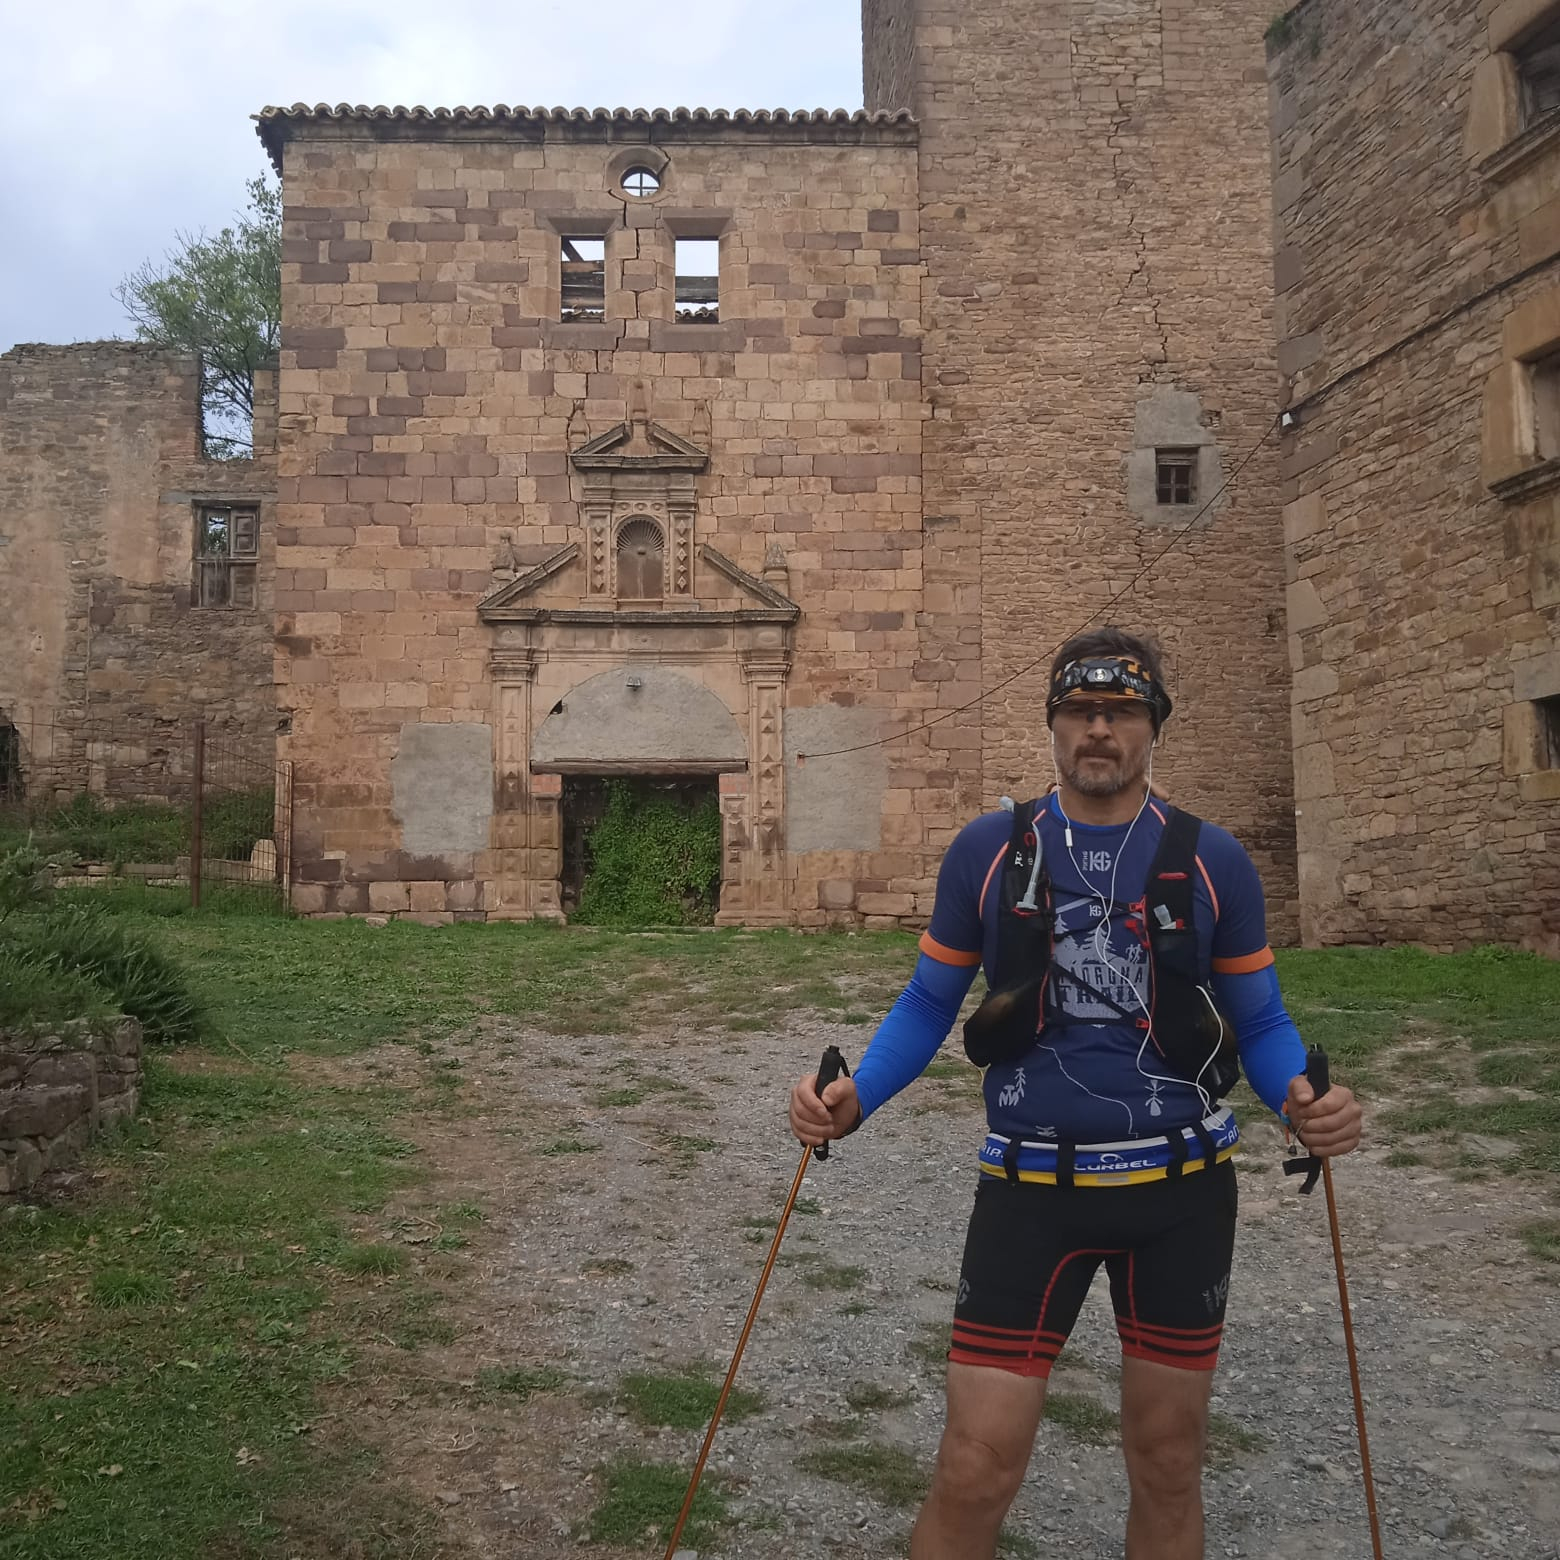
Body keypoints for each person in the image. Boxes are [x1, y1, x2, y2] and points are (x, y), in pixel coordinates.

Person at [788, 626, 1362, 1560]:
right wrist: (857, 1094)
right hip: (1030, 1192)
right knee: (974, 1464)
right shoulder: (989, 849)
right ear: (1053, 723)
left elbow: (1259, 1022)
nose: (1100, 729)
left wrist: (1303, 1097)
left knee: (1168, 1462)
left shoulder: (1213, 859)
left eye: (1121, 711)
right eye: (1080, 710)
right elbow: (929, 1001)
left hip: (1180, 1195)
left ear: (1155, 726)